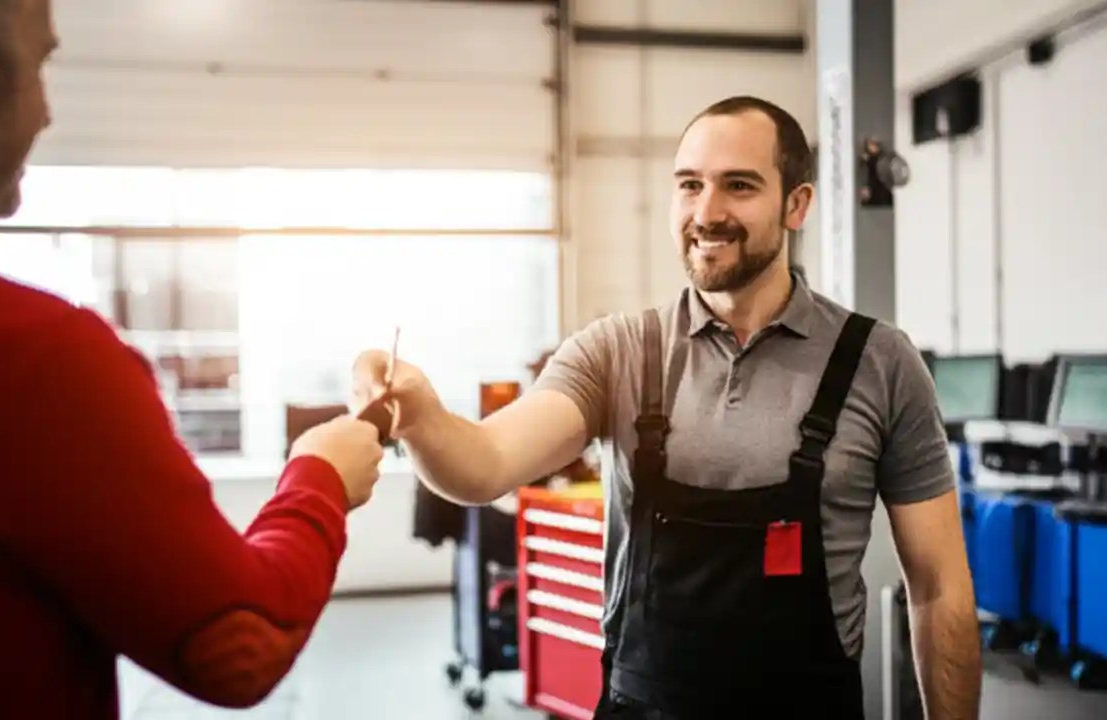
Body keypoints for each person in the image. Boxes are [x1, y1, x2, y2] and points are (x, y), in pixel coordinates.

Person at [355, 95, 982, 718]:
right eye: (689, 186)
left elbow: (939, 589)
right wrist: (422, 416)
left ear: (798, 204)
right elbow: (484, 465)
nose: (707, 212)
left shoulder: (881, 362)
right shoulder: (618, 352)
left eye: (738, 186)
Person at [0, 1, 385, 716]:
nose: (45, 113)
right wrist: (322, 477)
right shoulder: (24, 357)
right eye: (40, 66)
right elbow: (241, 641)